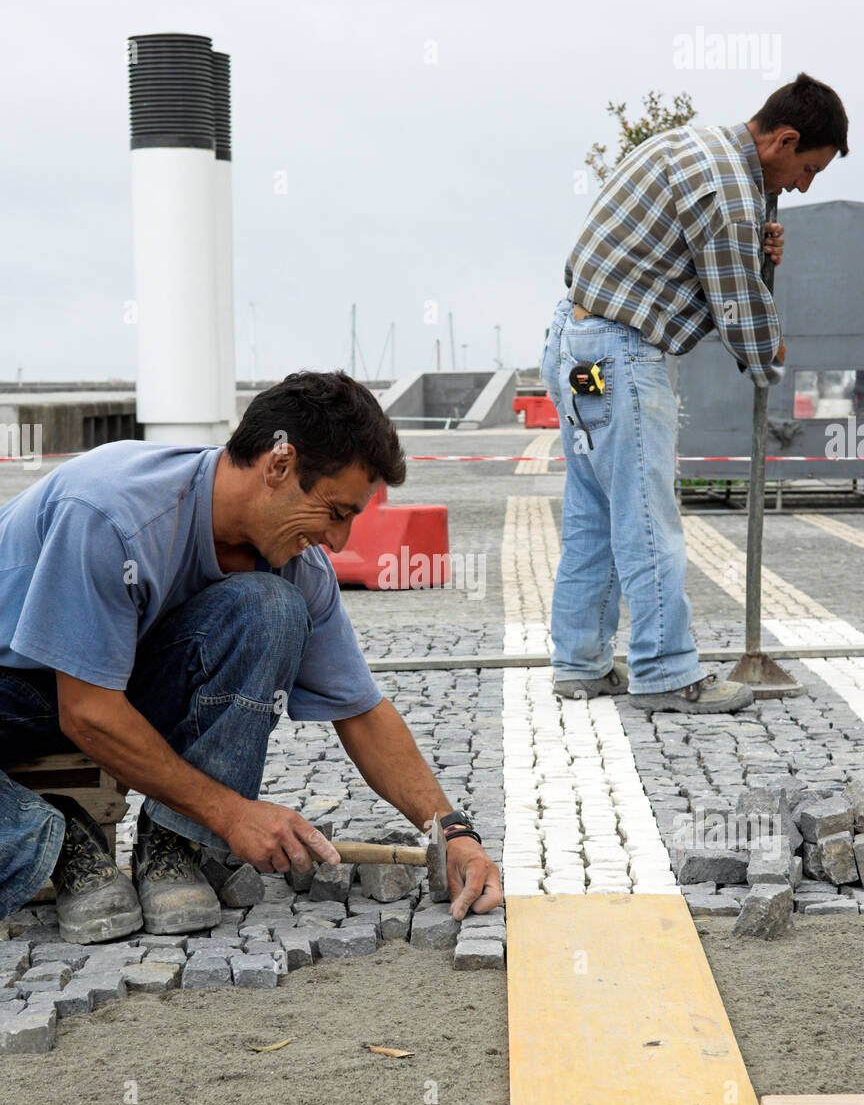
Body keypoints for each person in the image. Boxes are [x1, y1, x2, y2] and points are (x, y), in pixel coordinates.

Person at [0, 371, 501, 942]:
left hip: (105, 690)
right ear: (279, 466)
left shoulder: (295, 562)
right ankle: (55, 840)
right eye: (336, 512)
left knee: (271, 607)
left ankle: (175, 843)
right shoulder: (110, 513)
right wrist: (234, 814)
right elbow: (85, 711)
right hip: (17, 688)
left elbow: (359, 710)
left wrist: (453, 831)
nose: (339, 543)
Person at [541, 72, 849, 713]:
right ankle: (666, 673)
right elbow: (740, 312)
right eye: (809, 167)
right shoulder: (730, 192)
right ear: (783, 140)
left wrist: (757, 243)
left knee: (593, 511)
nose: (803, 185)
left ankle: (579, 664)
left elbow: (693, 260)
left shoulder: (689, 147)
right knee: (648, 517)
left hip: (573, 343)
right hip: (622, 354)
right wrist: (772, 352)